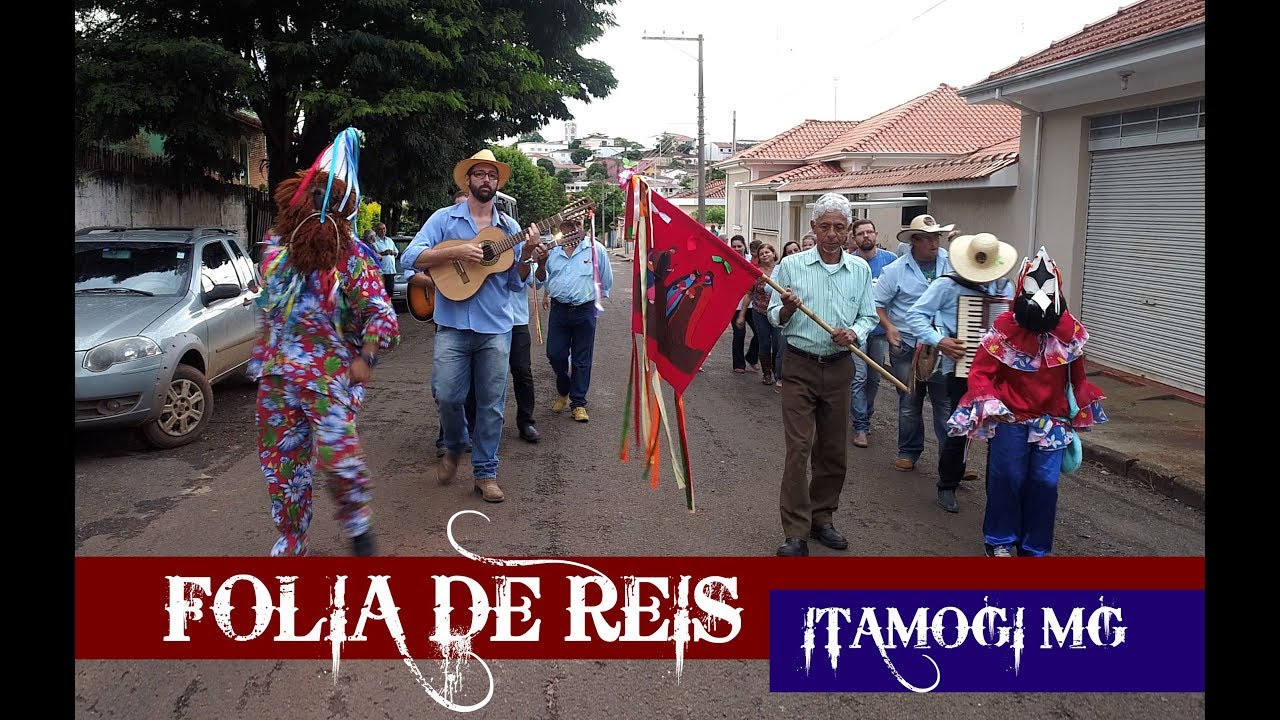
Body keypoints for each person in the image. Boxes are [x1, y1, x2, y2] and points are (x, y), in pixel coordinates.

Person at [249, 129, 401, 557]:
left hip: (329, 378)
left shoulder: (348, 256)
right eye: (309, 199)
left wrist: (367, 356)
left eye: (324, 201)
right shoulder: (276, 252)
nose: (315, 209)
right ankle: (292, 539)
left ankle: (356, 524)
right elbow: (269, 310)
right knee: (282, 467)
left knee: (339, 460)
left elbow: (381, 313)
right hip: (278, 378)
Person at [401, 149, 545, 503]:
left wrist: (527, 256)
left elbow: (515, 282)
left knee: (492, 404)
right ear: (468, 180)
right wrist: (455, 253)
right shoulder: (444, 219)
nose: (486, 180)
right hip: (451, 325)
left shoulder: (511, 229)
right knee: (447, 394)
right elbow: (408, 257)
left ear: (498, 183)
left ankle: (486, 473)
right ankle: (453, 444)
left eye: (492, 176)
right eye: (479, 174)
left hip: (496, 327)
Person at [947, 246, 1107, 557]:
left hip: (1053, 421)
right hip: (1011, 417)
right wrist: (990, 403)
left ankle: (1035, 548)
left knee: (1045, 486)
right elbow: (980, 372)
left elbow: (1077, 377)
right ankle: (1000, 540)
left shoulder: (1069, 332)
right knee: (1007, 479)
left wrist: (1076, 413)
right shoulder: (1004, 331)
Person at [767, 193, 878, 557]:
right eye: (825, 226)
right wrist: (785, 309)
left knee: (832, 451)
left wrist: (855, 333)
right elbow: (772, 317)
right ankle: (795, 532)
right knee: (798, 449)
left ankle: (822, 518)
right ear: (812, 228)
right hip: (798, 366)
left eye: (839, 227)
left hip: (839, 367)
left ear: (848, 232)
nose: (832, 233)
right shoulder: (790, 267)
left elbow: (869, 317)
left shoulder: (860, 270)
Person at [904, 233, 1016, 514]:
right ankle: (947, 484)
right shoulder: (947, 285)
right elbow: (914, 315)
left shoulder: (1006, 286)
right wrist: (939, 340)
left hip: (1000, 372)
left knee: (1001, 433)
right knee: (960, 428)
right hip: (961, 368)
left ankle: (998, 491)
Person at [874, 213, 956, 473]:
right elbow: (876, 304)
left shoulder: (952, 264)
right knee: (910, 400)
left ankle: (951, 458)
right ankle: (908, 451)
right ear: (914, 241)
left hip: (942, 345)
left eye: (937, 238)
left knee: (944, 402)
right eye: (929, 239)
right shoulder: (895, 270)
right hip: (908, 343)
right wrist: (888, 327)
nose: (935, 244)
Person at [537, 217, 613, 422]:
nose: (573, 229)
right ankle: (564, 389)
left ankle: (578, 403)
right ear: (561, 228)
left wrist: (591, 302)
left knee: (582, 358)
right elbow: (539, 280)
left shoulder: (596, 249)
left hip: (585, 310)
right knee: (555, 354)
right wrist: (541, 262)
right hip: (559, 310)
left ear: (582, 226)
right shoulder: (552, 250)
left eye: (577, 225)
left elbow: (605, 280)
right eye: (568, 226)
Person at [845, 219, 898, 449]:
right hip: (857, 331)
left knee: (874, 378)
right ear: (854, 238)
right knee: (858, 377)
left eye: (870, 232)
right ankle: (861, 426)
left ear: (876, 235)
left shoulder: (891, 262)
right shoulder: (849, 263)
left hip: (879, 331)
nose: (866, 236)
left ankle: (865, 413)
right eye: (861, 233)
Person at [738, 242, 783, 387]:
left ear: (773, 254)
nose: (764, 255)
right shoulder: (756, 272)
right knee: (764, 343)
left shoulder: (782, 270)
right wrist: (742, 315)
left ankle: (778, 372)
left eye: (767, 252)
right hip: (760, 312)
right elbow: (749, 294)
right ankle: (767, 373)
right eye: (761, 254)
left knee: (777, 343)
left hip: (778, 313)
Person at [727, 235, 759, 374]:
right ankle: (738, 364)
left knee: (760, 333)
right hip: (734, 306)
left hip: (751, 305)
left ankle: (751, 357)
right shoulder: (726, 261)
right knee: (739, 334)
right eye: (734, 246)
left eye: (739, 246)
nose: (736, 249)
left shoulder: (750, 261)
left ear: (744, 246)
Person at [371, 222, 398, 296]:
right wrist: (384, 253)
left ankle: (388, 306)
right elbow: (373, 257)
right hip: (381, 271)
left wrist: (393, 252)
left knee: (390, 292)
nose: (382, 231)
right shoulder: (374, 242)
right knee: (381, 293)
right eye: (380, 229)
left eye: (384, 229)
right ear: (376, 231)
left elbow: (396, 252)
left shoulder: (389, 240)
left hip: (391, 270)